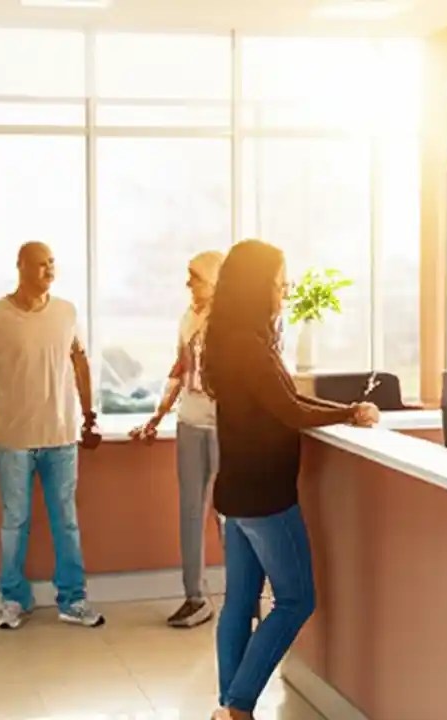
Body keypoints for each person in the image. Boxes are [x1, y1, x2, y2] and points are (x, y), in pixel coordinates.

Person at [202, 239, 379, 720]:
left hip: (235, 495)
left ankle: (228, 706)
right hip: (264, 498)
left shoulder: (231, 339)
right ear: (259, 287)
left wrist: (347, 412)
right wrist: (348, 412)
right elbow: (290, 409)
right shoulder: (249, 346)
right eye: (280, 283)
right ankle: (238, 708)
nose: (286, 291)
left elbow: (287, 399)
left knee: (239, 603)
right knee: (296, 599)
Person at [0, 241, 105, 631]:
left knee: (65, 521)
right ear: (20, 267)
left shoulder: (66, 312)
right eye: (40, 264)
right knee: (15, 521)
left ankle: (73, 600)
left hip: (62, 437)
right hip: (15, 439)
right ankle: (14, 599)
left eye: (52, 263)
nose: (49, 270)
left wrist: (89, 416)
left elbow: (79, 360)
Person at [129, 250, 225, 629]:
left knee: (229, 515)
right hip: (190, 423)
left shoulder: (233, 322)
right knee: (190, 511)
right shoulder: (188, 318)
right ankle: (195, 597)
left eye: (195, 277)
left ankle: (243, 597)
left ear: (216, 279)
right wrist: (156, 416)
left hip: (225, 427)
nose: (189, 283)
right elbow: (180, 368)